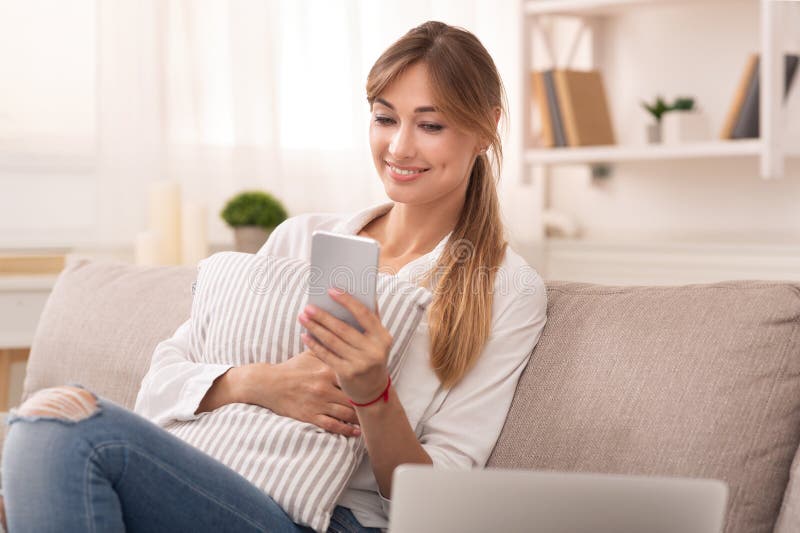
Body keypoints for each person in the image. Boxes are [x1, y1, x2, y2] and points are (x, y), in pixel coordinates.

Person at [0, 20, 547, 532]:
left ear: (485, 129)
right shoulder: (299, 240)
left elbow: (435, 501)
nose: (400, 147)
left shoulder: (505, 289)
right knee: (37, 425)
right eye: (385, 118)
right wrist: (260, 383)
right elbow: (159, 387)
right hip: (219, 479)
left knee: (61, 434)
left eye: (430, 124)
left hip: (328, 518)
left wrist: (373, 395)